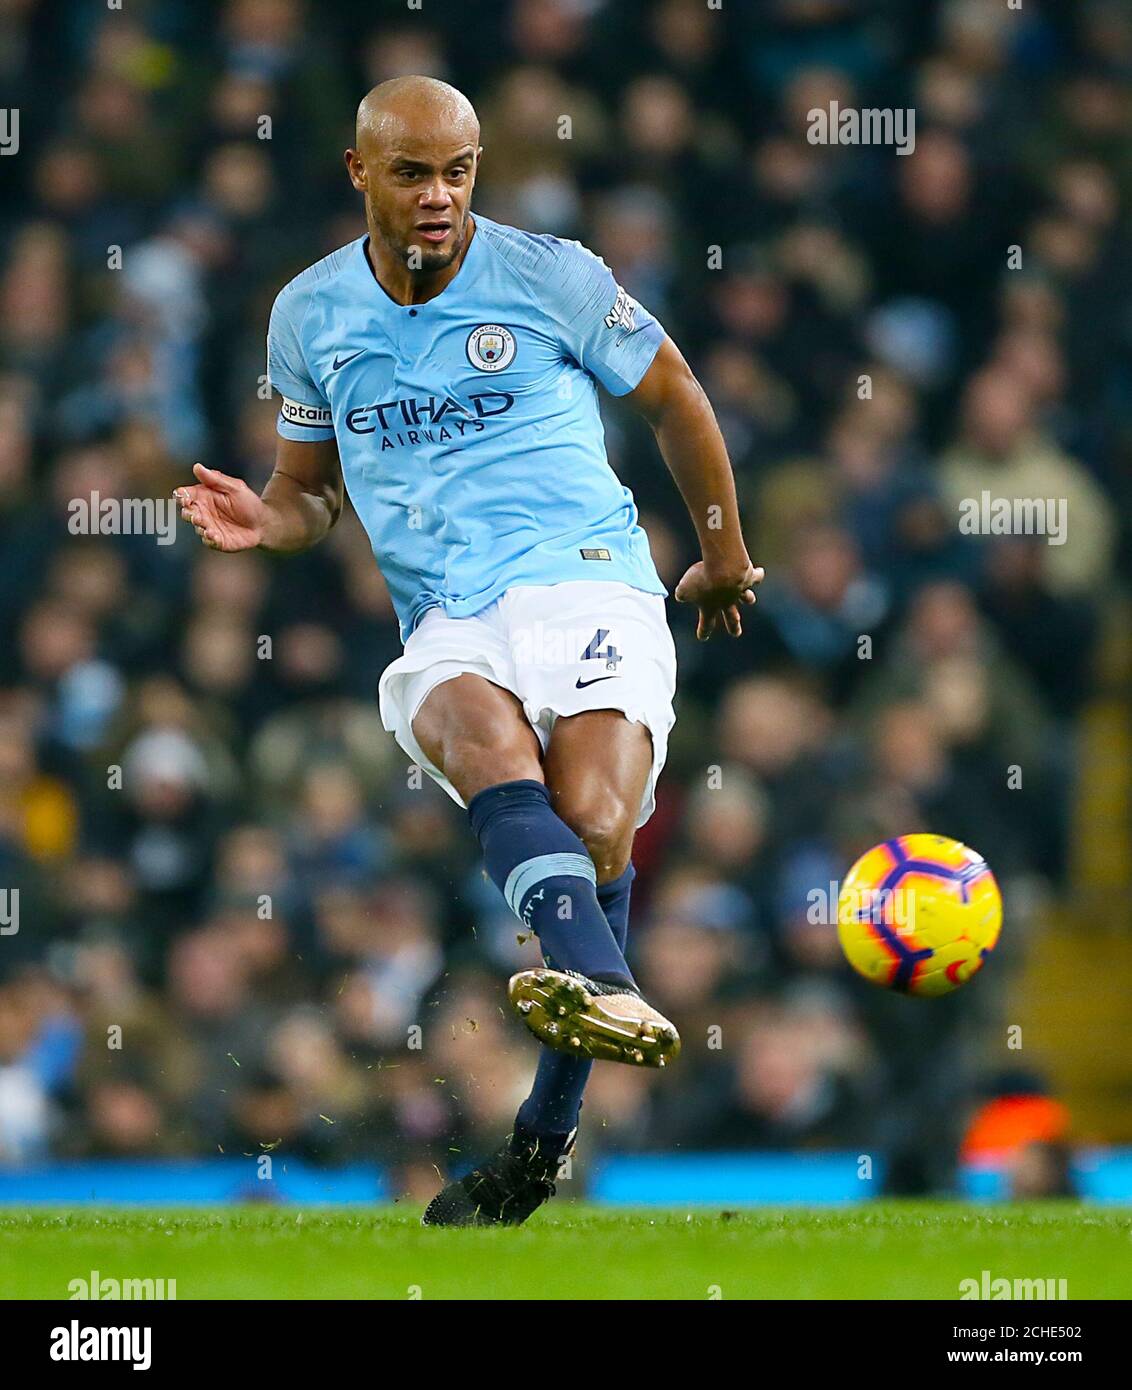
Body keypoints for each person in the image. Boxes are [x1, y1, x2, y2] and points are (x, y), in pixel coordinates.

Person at [175, 76, 762, 1225]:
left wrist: (724, 557)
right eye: (411, 173)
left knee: (594, 824)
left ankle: (539, 1143)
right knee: (488, 751)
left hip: (588, 575)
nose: (439, 196)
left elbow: (676, 397)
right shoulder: (308, 315)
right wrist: (267, 520)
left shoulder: (552, 274)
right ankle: (602, 983)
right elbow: (308, 496)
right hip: (446, 611)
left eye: (459, 171)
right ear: (360, 175)